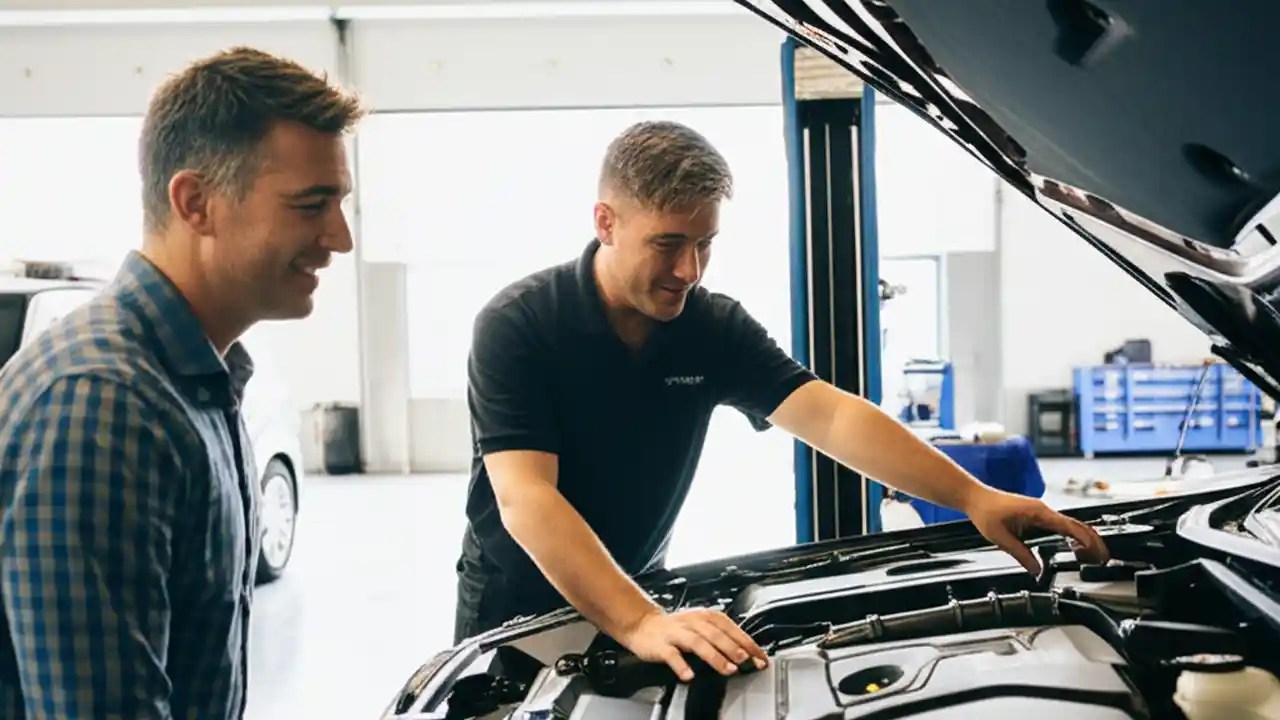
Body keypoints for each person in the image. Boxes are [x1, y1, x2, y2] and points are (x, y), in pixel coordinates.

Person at [455, 120, 1109, 681]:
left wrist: (973, 497)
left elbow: (828, 413)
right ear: (606, 222)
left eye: (705, 243)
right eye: (669, 245)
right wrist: (639, 621)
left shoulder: (710, 327)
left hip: (639, 589)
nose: (690, 271)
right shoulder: (519, 325)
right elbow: (527, 498)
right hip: (521, 610)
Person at [0, 47, 363, 719]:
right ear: (196, 202)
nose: (338, 238)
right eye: (311, 205)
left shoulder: (196, 381)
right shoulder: (102, 404)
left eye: (339, 204)